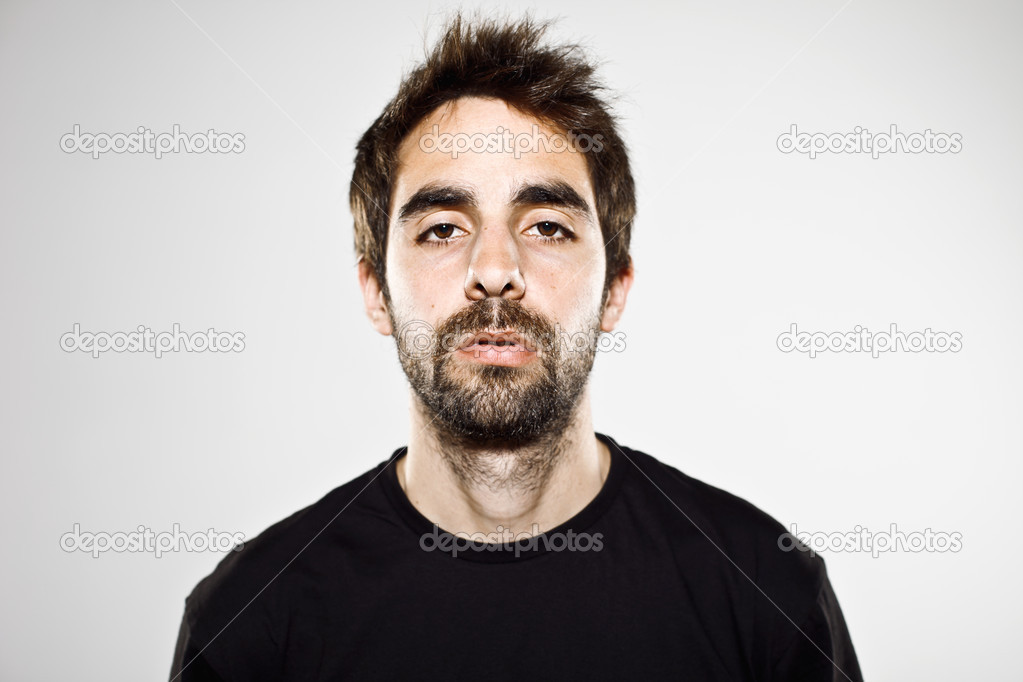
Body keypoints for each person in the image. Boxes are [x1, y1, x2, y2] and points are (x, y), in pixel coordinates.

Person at [171, 13, 862, 681]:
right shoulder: (250, 620)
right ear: (376, 292)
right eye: (442, 228)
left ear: (614, 291)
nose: (495, 269)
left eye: (548, 227)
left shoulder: (767, 593)